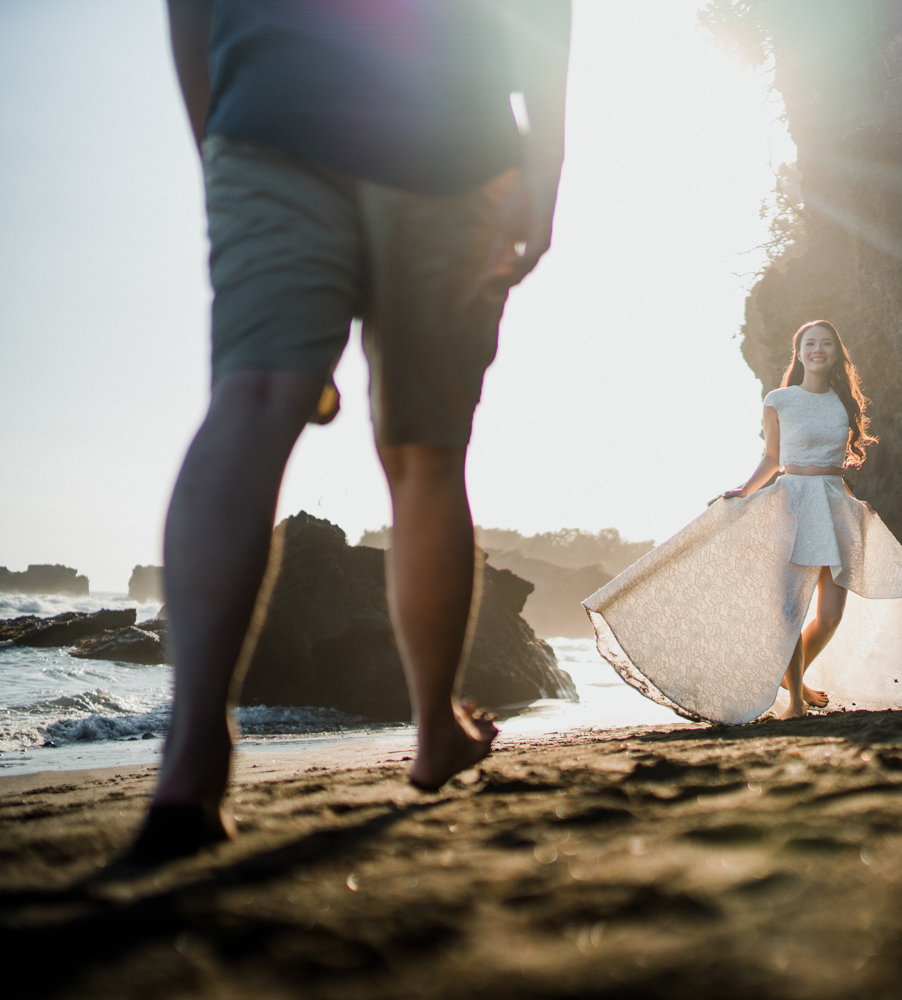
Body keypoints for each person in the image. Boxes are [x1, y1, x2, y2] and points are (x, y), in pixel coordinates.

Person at [132, 0, 570, 862]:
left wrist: (221, 136)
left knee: (252, 401)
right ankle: (436, 732)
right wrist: (546, 158)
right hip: (454, 127)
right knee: (426, 457)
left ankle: (192, 753)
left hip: (269, 115)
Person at [584, 321, 902, 725]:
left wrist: (854, 502)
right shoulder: (779, 399)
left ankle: (784, 672)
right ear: (798, 353)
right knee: (790, 610)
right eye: (809, 344)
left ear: (836, 353)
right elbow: (774, 458)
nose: (818, 349)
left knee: (830, 615)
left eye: (826, 343)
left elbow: (834, 468)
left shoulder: (843, 402)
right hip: (791, 506)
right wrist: (745, 492)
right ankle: (795, 698)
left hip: (834, 508)